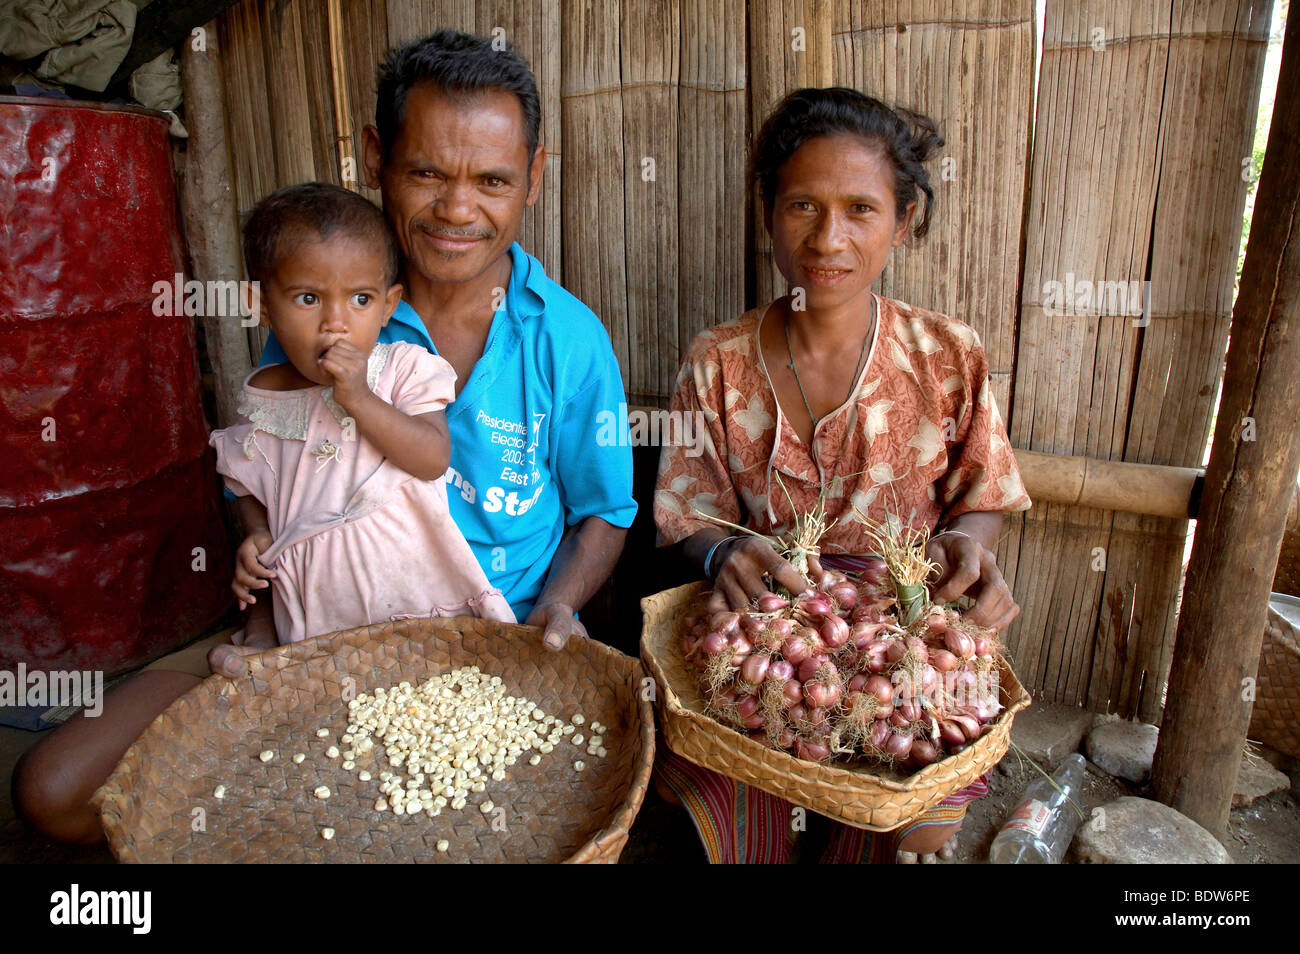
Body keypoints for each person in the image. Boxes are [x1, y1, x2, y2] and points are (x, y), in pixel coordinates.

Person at [13, 29, 634, 845]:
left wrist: (556, 607)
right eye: (425, 173)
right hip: (314, 645)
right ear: (375, 156)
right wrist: (256, 539)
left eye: (491, 180)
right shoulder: (330, 311)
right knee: (55, 792)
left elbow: (606, 512)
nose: (457, 208)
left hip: (484, 662)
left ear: (534, 178)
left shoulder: (567, 338)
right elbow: (265, 465)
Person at [654, 87, 1032, 863]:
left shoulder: (947, 355)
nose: (828, 238)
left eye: (861, 209)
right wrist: (724, 555)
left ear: (904, 222)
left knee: (897, 795)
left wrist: (966, 546)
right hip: (770, 621)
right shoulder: (718, 361)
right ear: (769, 214)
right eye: (803, 206)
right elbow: (687, 515)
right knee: (739, 781)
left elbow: (981, 496)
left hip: (899, 628)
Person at [214, 182, 515, 646]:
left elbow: (432, 457)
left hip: (417, 602)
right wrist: (255, 535)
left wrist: (358, 398)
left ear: (387, 306)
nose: (336, 322)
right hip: (322, 617)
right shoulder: (261, 401)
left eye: (360, 300)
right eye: (308, 299)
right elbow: (249, 480)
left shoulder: (402, 370)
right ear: (262, 307)